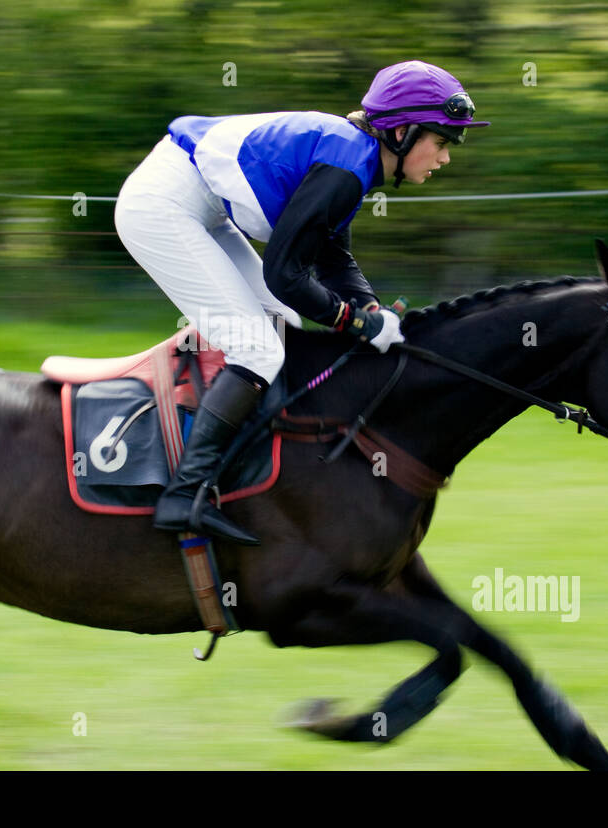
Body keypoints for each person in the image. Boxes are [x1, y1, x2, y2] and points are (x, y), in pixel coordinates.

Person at [113, 60, 489, 543]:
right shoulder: (346, 166)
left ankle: (250, 464)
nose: (444, 158)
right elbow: (286, 274)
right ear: (402, 131)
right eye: (441, 142)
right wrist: (353, 323)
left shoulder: (355, 156)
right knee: (258, 348)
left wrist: (368, 310)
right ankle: (185, 494)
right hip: (162, 206)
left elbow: (332, 255)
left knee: (283, 323)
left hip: (199, 203)